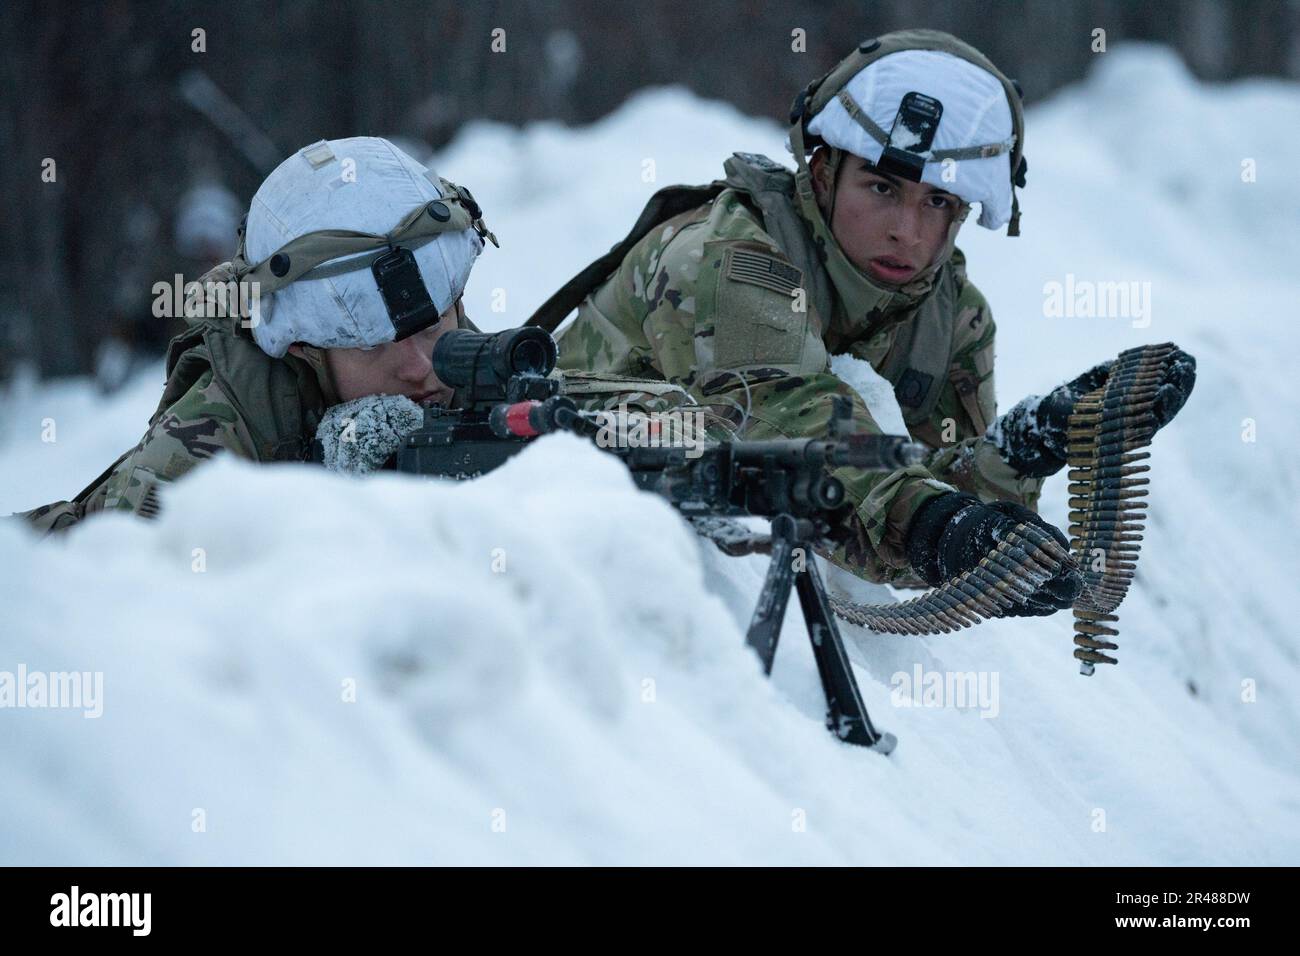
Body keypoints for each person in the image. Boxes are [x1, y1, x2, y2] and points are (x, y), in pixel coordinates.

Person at [540, 28, 1193, 610]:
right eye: (881, 188)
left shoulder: (950, 318)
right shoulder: (725, 257)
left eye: (937, 201)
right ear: (822, 170)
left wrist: (1025, 449)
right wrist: (940, 526)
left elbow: (900, 518)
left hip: (732, 565)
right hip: (572, 534)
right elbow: (790, 418)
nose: (906, 231)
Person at [17, 136, 497, 535]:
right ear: (304, 350)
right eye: (371, 344)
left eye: (433, 326)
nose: (420, 368)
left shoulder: (464, 358)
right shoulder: (205, 453)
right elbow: (133, 619)